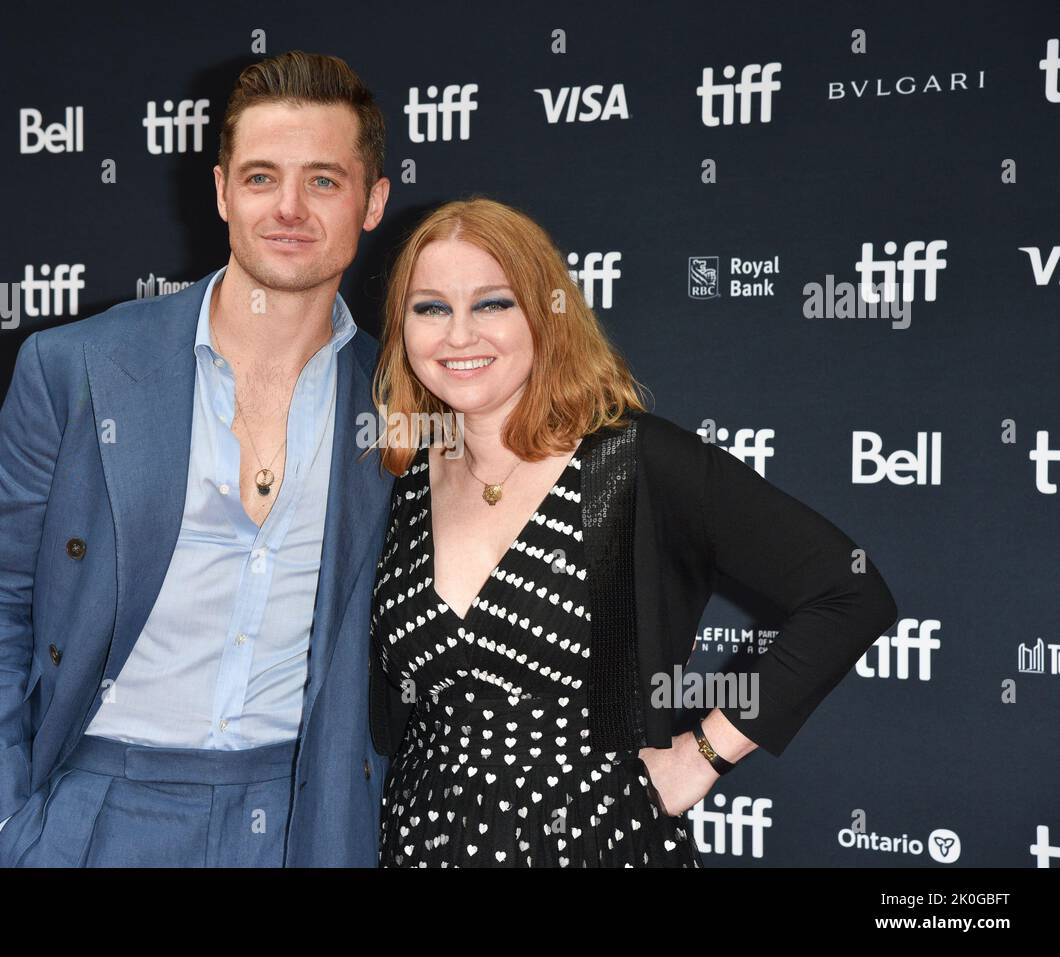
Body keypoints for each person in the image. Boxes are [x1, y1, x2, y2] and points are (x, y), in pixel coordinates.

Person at [0, 50, 393, 867]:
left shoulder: (404, 401)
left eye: (324, 180)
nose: (288, 208)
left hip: (299, 819)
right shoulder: (75, 367)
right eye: (261, 178)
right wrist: (3, 815)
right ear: (222, 192)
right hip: (94, 809)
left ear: (372, 202)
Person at [366, 196, 899, 867]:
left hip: (599, 840)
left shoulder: (631, 463)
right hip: (423, 839)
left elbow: (849, 592)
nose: (459, 334)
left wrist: (702, 755)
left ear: (545, 313)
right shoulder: (404, 472)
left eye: (493, 303)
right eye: (431, 307)